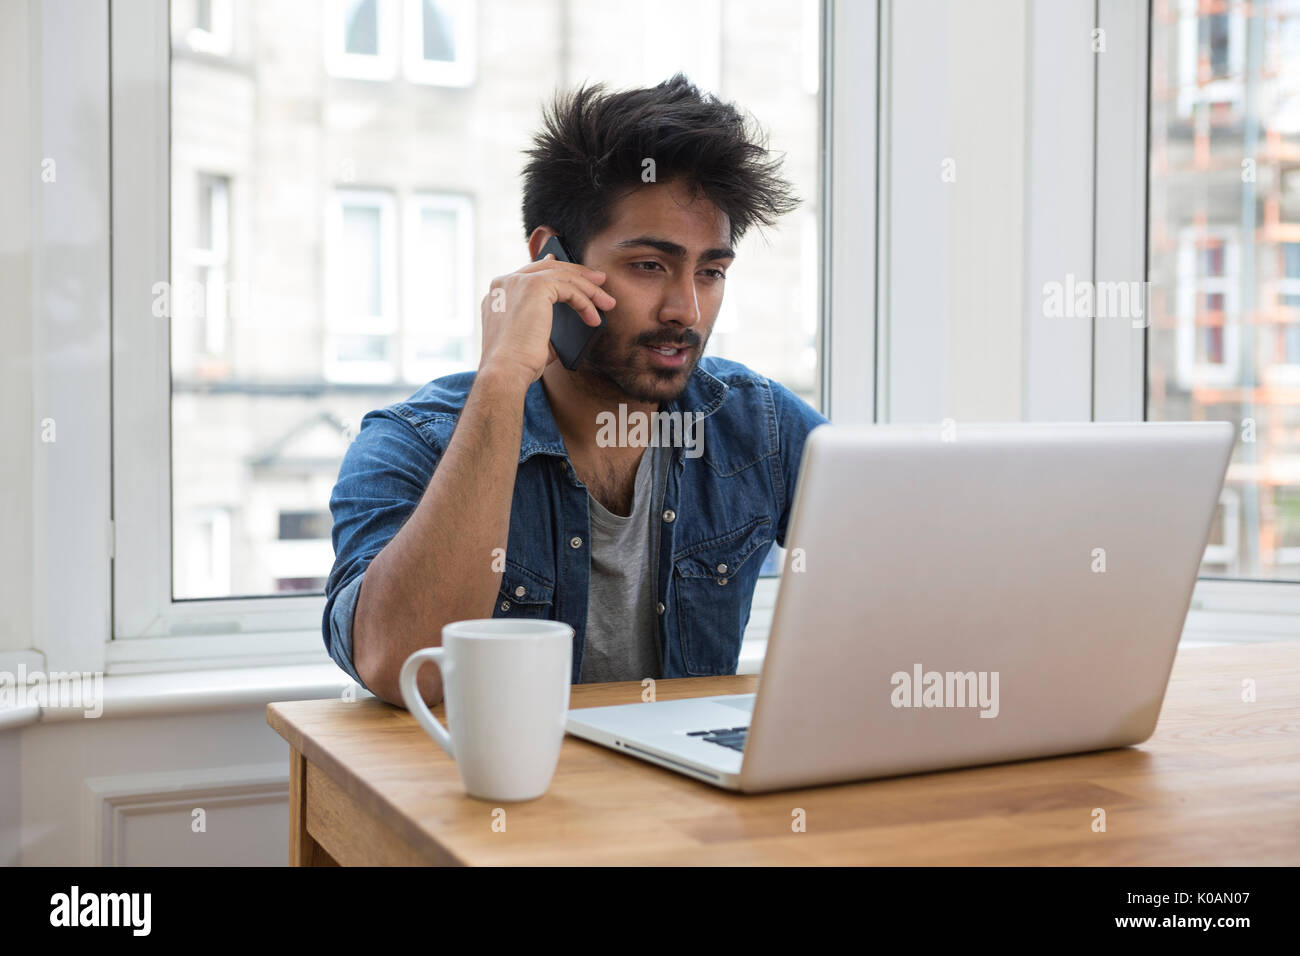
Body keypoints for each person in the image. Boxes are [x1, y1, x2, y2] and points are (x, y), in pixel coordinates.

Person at [324, 73, 828, 707]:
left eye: (711, 271)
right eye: (650, 265)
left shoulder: (760, 426)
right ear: (551, 260)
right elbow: (405, 669)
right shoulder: (413, 445)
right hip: (497, 801)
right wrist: (502, 380)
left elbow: (911, 571)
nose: (688, 311)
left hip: (693, 800)